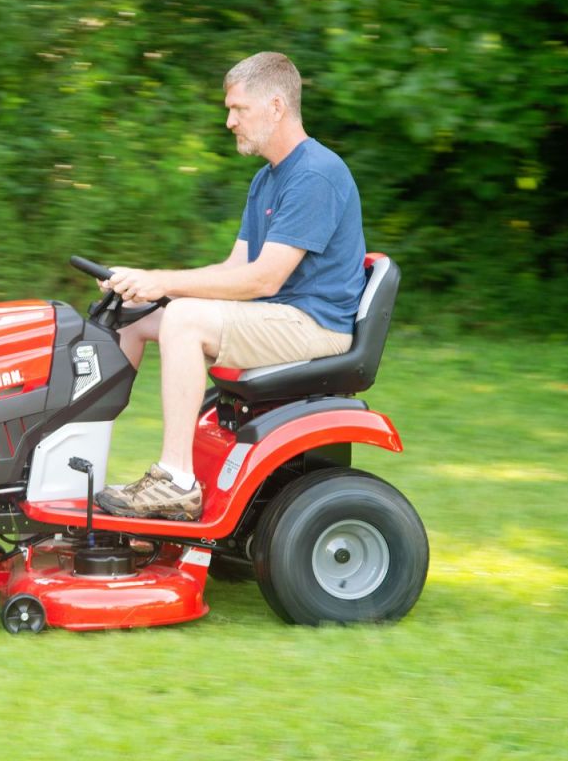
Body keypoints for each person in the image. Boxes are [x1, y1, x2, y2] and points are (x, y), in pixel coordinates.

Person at [94, 51, 366, 521]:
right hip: (279, 314)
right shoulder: (267, 179)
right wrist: (148, 287)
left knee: (183, 321)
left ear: (276, 107)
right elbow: (235, 266)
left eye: (239, 109)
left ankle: (175, 481)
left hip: (314, 324)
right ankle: (82, 464)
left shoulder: (316, 174)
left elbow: (264, 279)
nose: (229, 121)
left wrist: (165, 285)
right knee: (134, 315)